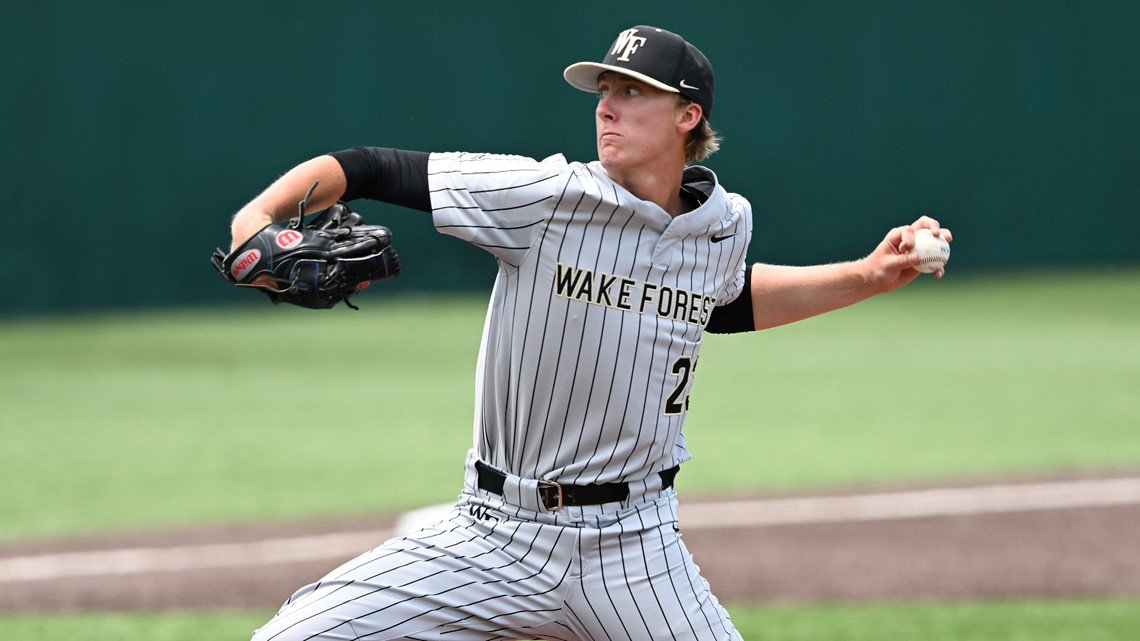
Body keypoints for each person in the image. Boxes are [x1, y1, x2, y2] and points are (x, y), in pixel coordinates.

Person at [230, 25, 951, 641]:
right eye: (605, 91)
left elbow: (722, 303)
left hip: (635, 547)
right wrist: (256, 217)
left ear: (685, 115)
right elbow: (370, 168)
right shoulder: (545, 197)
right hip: (493, 534)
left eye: (632, 91)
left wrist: (867, 274)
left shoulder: (724, 225)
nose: (606, 106)